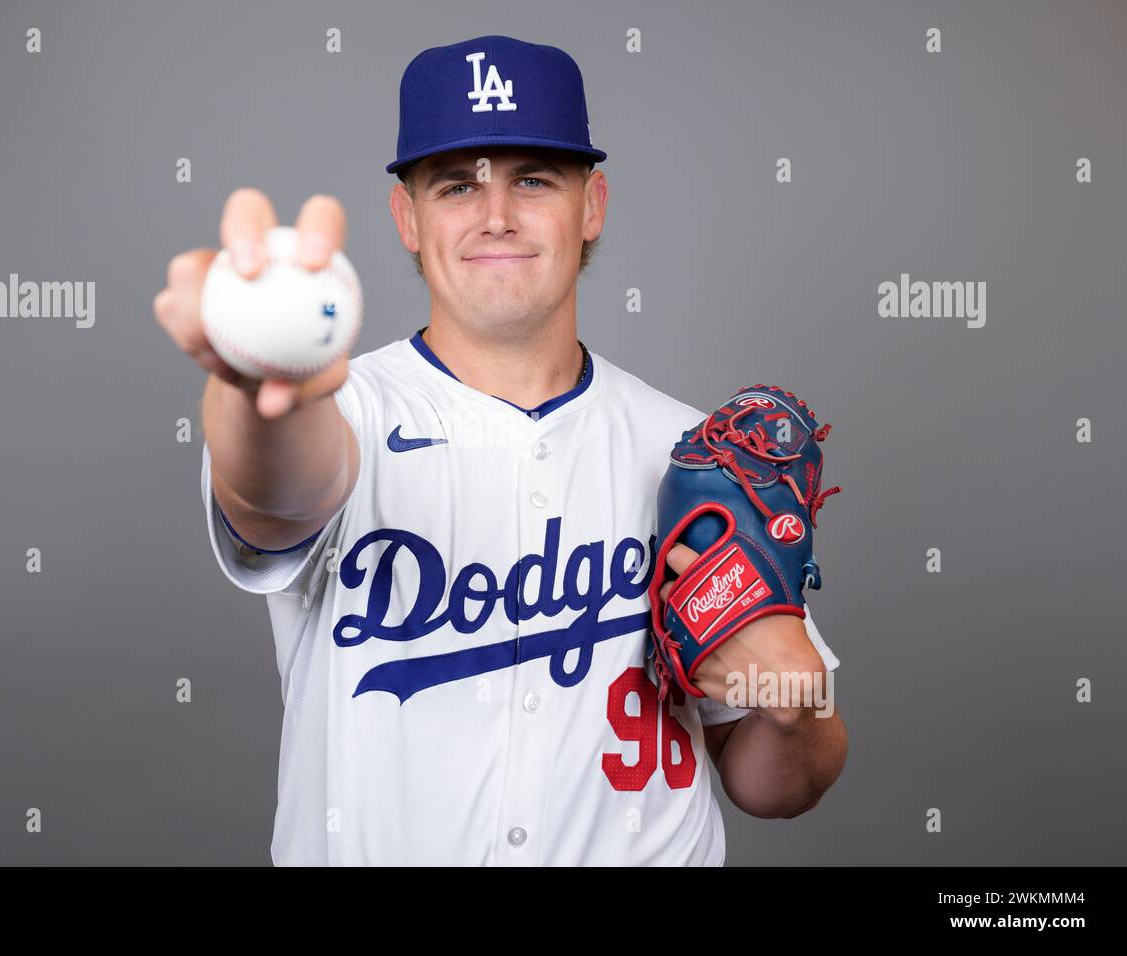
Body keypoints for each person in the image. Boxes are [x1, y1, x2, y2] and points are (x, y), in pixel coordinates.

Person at [153, 34, 847, 866]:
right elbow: (275, 494)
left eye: (533, 179)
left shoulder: (694, 454)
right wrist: (259, 391)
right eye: (456, 185)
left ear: (591, 206)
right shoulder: (344, 415)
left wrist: (794, 703)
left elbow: (773, 787)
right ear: (407, 218)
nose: (496, 216)